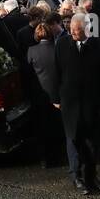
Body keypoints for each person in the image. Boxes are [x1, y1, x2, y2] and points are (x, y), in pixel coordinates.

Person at [54, 13, 100, 195]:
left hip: (92, 103)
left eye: (77, 31)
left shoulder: (99, 46)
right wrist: (56, 98)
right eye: (71, 30)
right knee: (73, 140)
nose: (73, 33)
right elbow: (57, 71)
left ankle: (91, 176)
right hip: (70, 103)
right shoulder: (62, 44)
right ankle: (76, 176)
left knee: (92, 142)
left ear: (87, 29)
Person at [27, 19, 68, 169]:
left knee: (43, 127)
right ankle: (60, 155)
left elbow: (29, 73)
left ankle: (46, 158)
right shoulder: (58, 49)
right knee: (58, 126)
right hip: (58, 93)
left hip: (41, 94)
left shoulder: (31, 51)